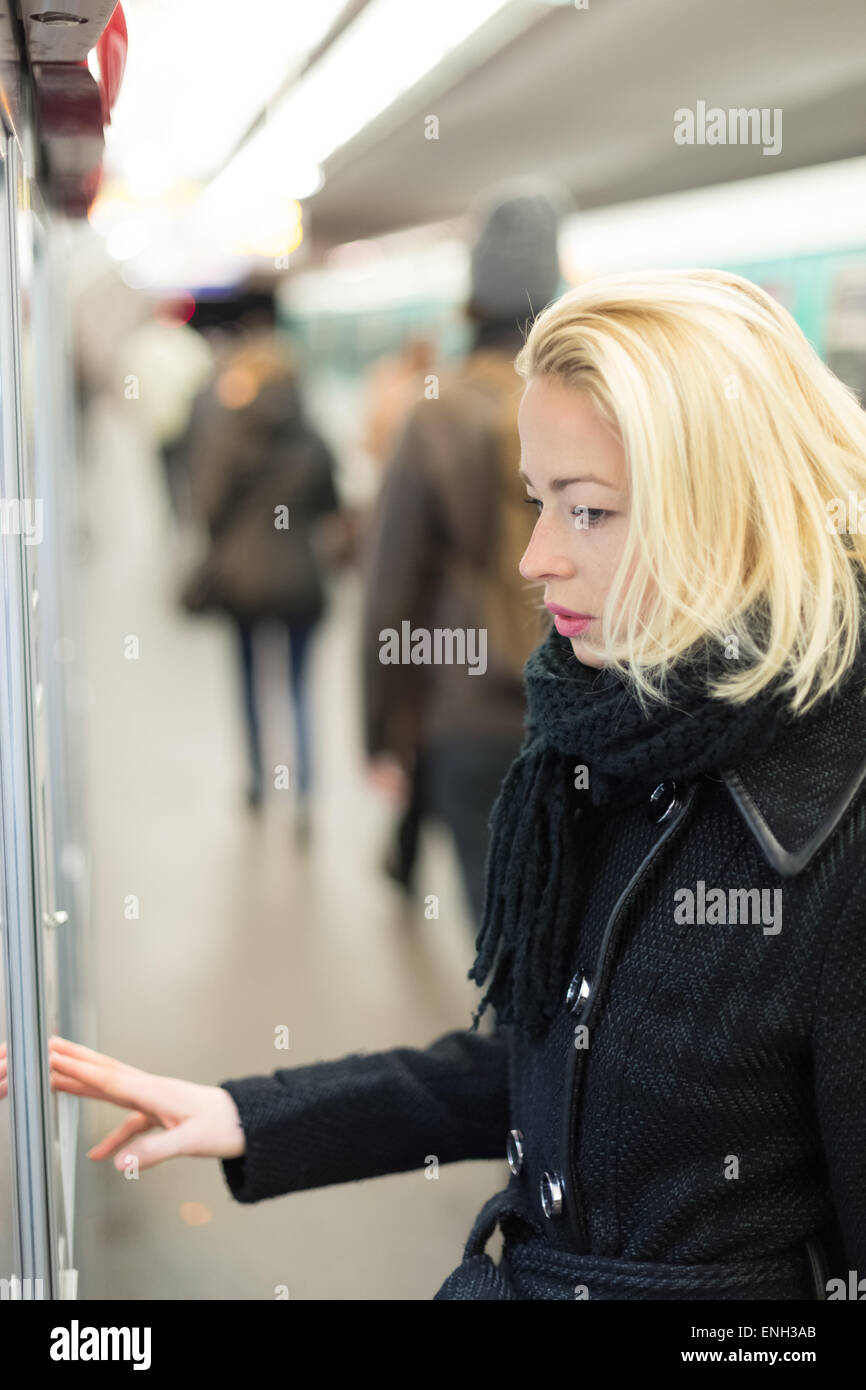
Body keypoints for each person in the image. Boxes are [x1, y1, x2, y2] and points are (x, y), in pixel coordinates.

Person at [48, 268, 866, 1299]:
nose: (535, 557)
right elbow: (540, 1066)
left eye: (588, 510)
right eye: (537, 503)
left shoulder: (833, 834)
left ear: (727, 510)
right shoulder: (604, 744)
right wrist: (250, 1114)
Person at [363, 188, 559, 919]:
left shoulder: (434, 417)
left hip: (466, 710)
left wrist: (385, 734)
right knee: (560, 922)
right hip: (569, 701)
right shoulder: (584, 408)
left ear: (473, 300)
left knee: (494, 920)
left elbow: (393, 592)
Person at [182, 330, 340, 826]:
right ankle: (305, 791)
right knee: (298, 686)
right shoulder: (312, 435)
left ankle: (256, 783)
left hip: (243, 578)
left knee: (249, 681)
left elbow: (208, 507)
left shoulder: (230, 432)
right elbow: (330, 505)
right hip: (300, 577)